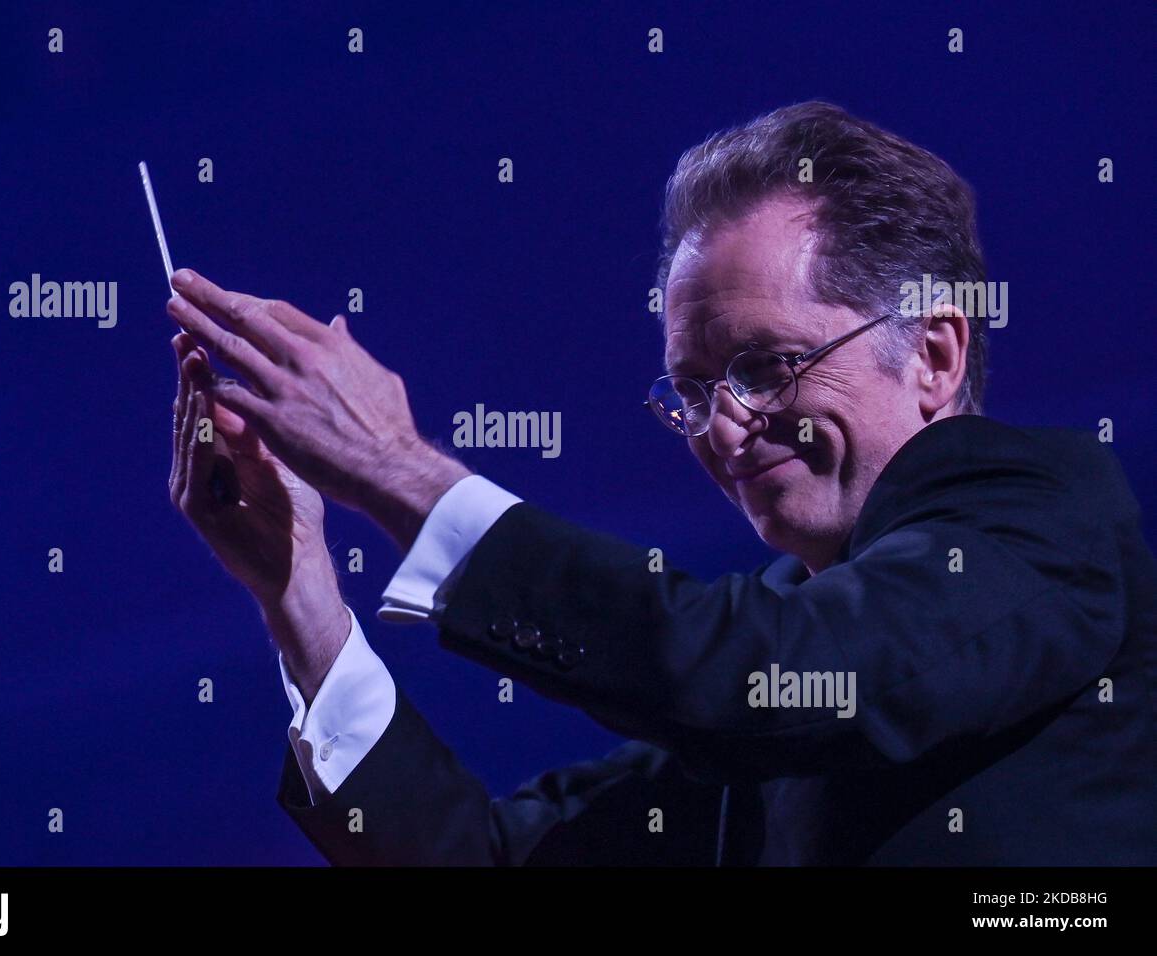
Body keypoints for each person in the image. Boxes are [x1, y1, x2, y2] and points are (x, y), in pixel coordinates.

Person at [166, 102, 1157, 865]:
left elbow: (764, 677)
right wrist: (299, 594)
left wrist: (397, 468)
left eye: (769, 364)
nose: (725, 426)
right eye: (691, 388)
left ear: (934, 355)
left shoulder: (1042, 514)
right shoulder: (760, 675)